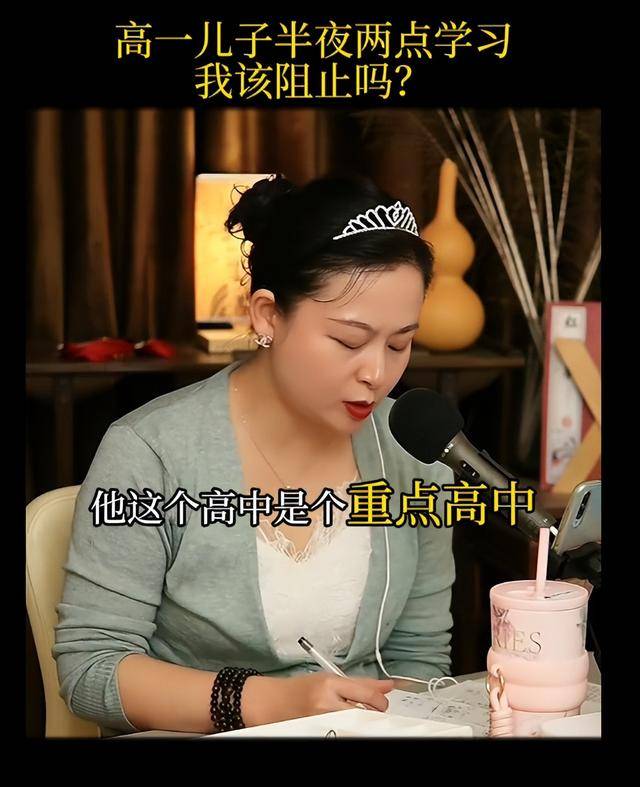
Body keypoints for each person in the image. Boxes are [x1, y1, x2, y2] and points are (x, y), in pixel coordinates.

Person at [53, 173, 456, 737]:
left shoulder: (414, 455)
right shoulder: (151, 452)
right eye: (348, 340)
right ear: (267, 315)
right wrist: (272, 703)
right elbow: (92, 668)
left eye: (399, 343)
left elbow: (419, 660)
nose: (376, 372)